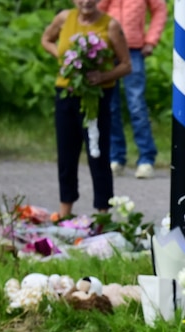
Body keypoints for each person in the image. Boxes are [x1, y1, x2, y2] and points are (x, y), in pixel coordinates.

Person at [41, 0, 132, 219]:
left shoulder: (110, 25)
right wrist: (61, 56)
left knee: (98, 153)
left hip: (97, 96)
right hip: (67, 93)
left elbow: (126, 65)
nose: (86, 2)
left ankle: (103, 212)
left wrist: (102, 77)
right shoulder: (64, 18)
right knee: (66, 153)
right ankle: (65, 210)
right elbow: (46, 39)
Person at [97, 0, 165, 180]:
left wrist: (151, 40)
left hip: (134, 49)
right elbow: (97, 10)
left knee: (136, 105)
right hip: (108, 48)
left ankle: (146, 159)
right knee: (110, 105)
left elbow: (159, 10)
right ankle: (116, 157)